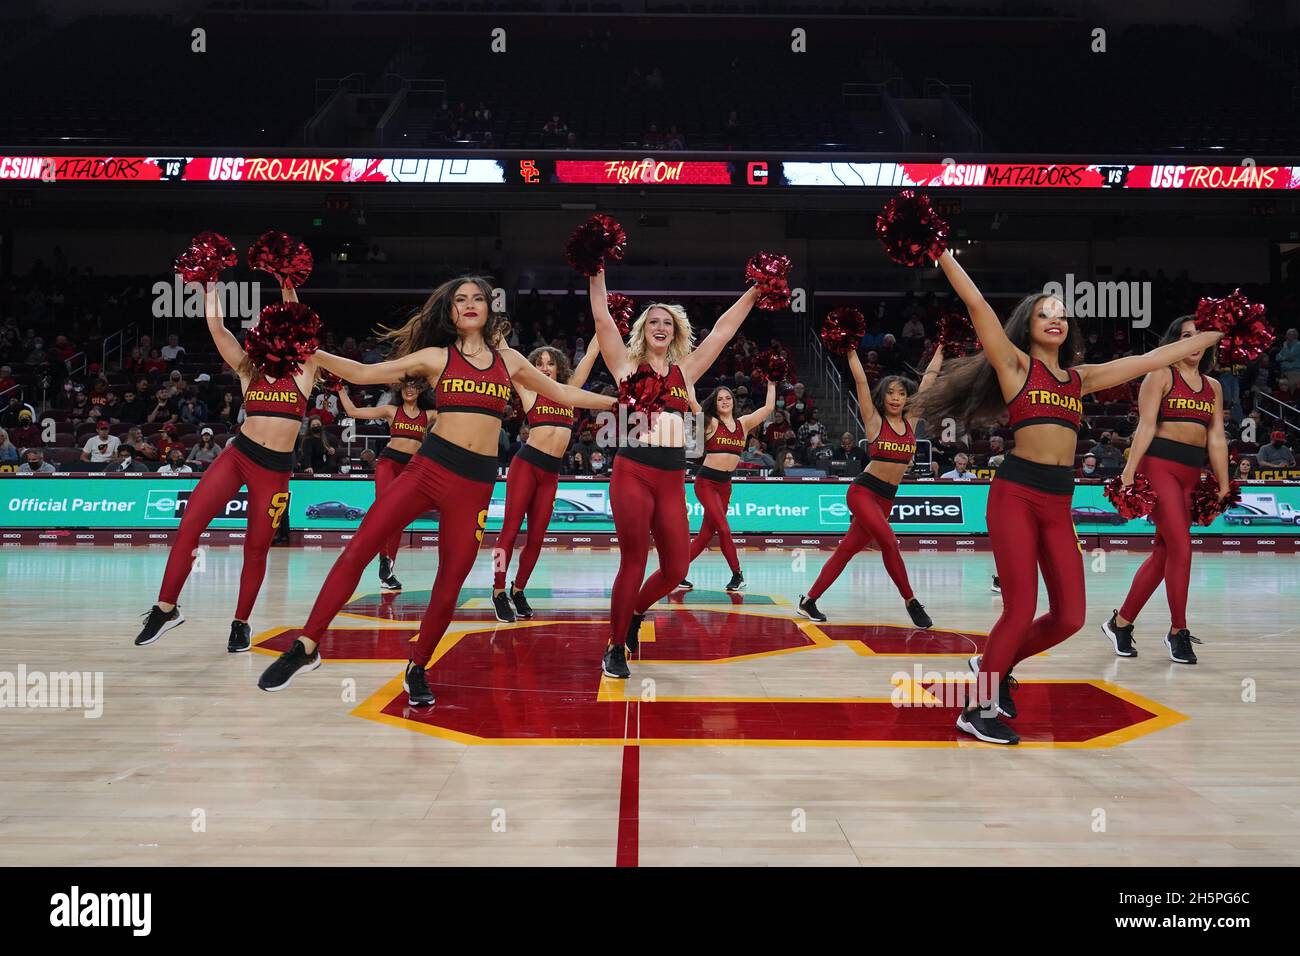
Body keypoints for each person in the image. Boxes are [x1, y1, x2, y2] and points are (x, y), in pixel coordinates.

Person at [256, 276, 615, 703]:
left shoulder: (512, 361)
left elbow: (563, 392)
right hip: (429, 468)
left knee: (450, 585)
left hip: (475, 484)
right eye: (460, 299)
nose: (468, 304)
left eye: (477, 298)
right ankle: (307, 645)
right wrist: (308, 349)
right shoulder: (435, 357)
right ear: (449, 311)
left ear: (489, 308)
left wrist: (623, 401)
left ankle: (418, 666)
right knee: (359, 548)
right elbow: (363, 372)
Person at [915, 250, 1222, 744]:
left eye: (1061, 314)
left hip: (1058, 503)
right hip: (1015, 494)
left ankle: (995, 662)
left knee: (1071, 617)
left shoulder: (1081, 379)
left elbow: (1149, 359)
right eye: (1044, 314)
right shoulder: (1015, 365)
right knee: (1019, 608)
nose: (1055, 320)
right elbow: (976, 306)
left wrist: (1219, 333)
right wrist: (942, 254)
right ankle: (977, 707)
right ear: (1028, 324)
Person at [589, 262, 761, 680]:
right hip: (631, 470)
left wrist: (757, 290)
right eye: (654, 321)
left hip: (671, 477)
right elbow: (601, 316)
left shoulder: (687, 372)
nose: (661, 326)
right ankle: (614, 648)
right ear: (644, 329)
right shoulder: (625, 366)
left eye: (668, 322)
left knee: (677, 568)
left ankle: (633, 615)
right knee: (633, 561)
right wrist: (595, 268)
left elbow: (722, 331)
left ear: (676, 331)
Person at [133, 281, 315, 654]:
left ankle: (241, 623)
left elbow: (299, 323)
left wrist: (286, 285)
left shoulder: (303, 370)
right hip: (238, 456)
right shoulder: (248, 368)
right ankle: (166, 608)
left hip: (274, 470)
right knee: (189, 525)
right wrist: (210, 288)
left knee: (257, 549)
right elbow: (217, 328)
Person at [1104, 315, 1228, 666]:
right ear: (1175, 342)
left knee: (1164, 553)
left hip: (1192, 472)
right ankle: (1178, 631)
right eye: (1186, 336)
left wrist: (1224, 480)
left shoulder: (1212, 387)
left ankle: (1121, 623)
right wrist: (1128, 471)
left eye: (1199, 337)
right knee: (1182, 547)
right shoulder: (1159, 374)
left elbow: (1216, 437)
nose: (1194, 343)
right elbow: (1144, 427)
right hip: (1158, 467)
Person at [798, 345, 943, 627]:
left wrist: (940, 349)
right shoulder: (874, 422)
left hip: (887, 499)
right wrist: (851, 348)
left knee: (845, 552)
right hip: (863, 492)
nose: (896, 398)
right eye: (891, 393)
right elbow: (862, 381)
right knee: (889, 541)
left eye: (901, 393)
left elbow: (929, 380)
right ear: (883, 396)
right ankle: (912, 601)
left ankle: (809, 600)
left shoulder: (912, 422)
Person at [491, 339, 601, 622]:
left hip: (550, 474)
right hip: (526, 466)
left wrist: (607, 322)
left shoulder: (570, 391)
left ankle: (519, 589)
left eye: (550, 363)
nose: (545, 368)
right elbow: (507, 355)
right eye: (538, 364)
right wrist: (498, 335)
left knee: (537, 539)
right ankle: (499, 591)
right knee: (510, 531)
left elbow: (591, 353)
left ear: (560, 367)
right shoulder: (529, 391)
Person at [677, 380, 777, 593]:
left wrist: (771, 382)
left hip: (725, 485)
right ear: (715, 402)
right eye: (720, 398)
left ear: (733, 401)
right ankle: (737, 574)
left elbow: (768, 408)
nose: (724, 401)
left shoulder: (744, 424)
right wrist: (689, 379)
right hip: (706, 483)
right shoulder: (711, 422)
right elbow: (693, 402)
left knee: (705, 535)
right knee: (723, 528)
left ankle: (678, 573)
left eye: (728, 398)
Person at [338, 378, 434, 591]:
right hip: (388, 464)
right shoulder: (391, 411)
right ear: (401, 391)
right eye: (406, 387)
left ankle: (387, 566)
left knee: (398, 519)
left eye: (414, 386)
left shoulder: (429, 415)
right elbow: (354, 412)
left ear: (420, 391)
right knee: (384, 513)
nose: (409, 390)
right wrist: (339, 389)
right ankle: (381, 560)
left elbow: (457, 413)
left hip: (411, 468)